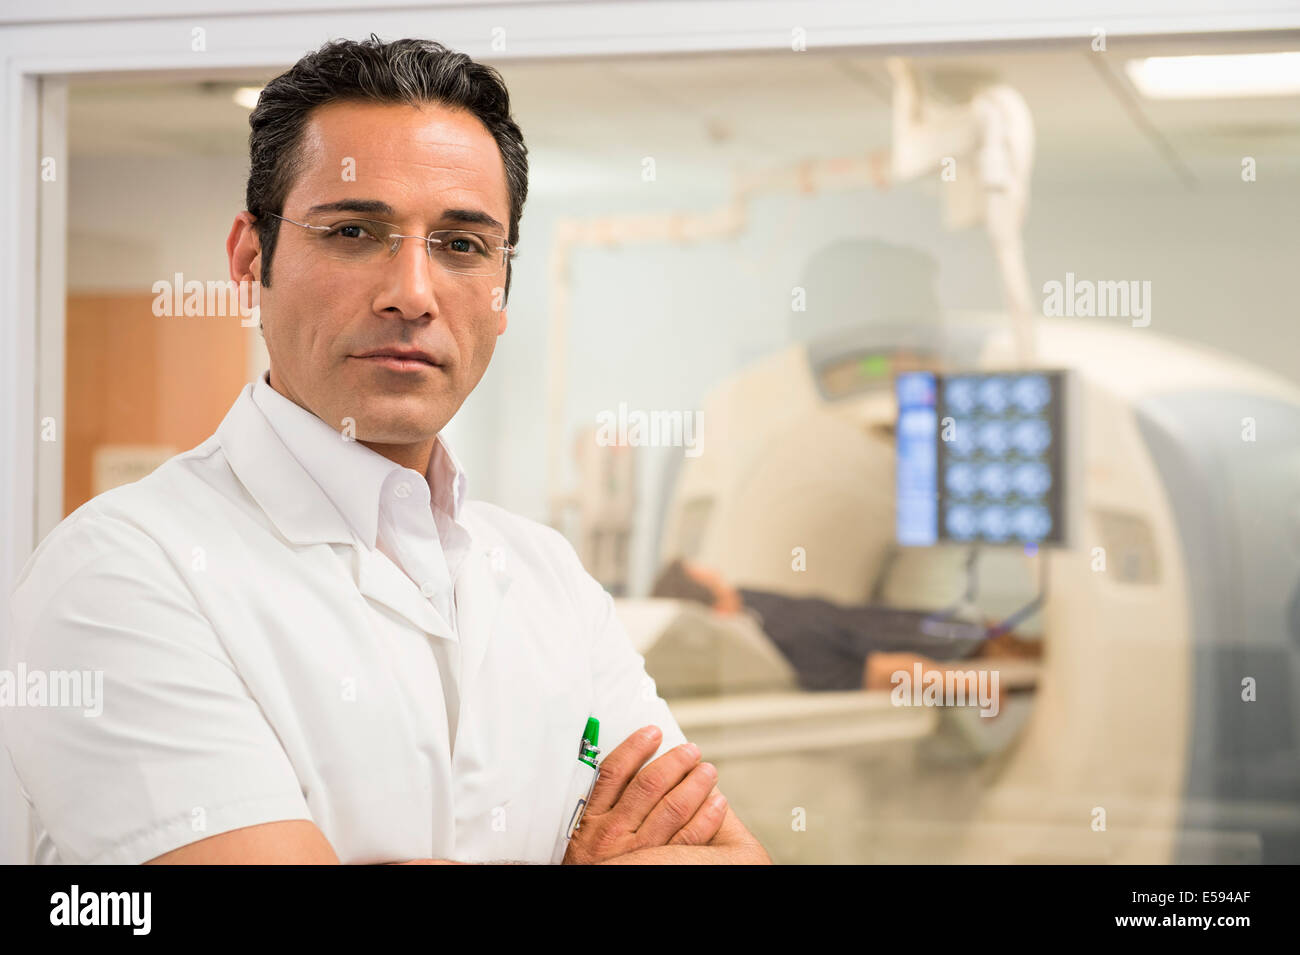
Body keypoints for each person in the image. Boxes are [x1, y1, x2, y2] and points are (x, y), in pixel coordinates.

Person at [2, 36, 769, 866]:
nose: (411, 293)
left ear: (502, 289)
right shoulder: (122, 573)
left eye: (462, 245)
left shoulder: (550, 580)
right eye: (356, 231)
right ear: (250, 257)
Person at [650, 558, 1041, 699]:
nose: (719, 572)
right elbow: (888, 671)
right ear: (717, 610)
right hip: (948, 648)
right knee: (1030, 660)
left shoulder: (750, 602)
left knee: (1003, 636)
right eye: (711, 577)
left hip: (926, 625)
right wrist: (977, 688)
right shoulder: (787, 640)